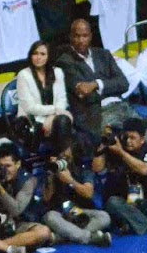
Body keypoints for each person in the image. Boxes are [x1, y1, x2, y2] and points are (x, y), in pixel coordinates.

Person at [57, 18, 133, 153]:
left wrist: (96, 84)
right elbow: (84, 93)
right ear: (70, 37)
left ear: (91, 36)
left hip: (122, 106)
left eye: (85, 36)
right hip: (98, 114)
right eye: (77, 36)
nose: (81, 40)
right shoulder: (65, 62)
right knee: (123, 142)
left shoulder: (103, 54)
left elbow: (124, 83)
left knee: (146, 140)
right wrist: (110, 86)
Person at [40, 139, 111, 248]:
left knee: (104, 217)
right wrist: (51, 176)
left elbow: (88, 193)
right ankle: (90, 237)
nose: (64, 160)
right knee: (50, 217)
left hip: (79, 213)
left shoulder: (84, 171)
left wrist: (70, 181)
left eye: (67, 158)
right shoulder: (53, 170)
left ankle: (62, 237)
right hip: (59, 213)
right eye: (61, 157)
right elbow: (46, 198)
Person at [13, 39, 72, 145]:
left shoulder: (57, 72)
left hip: (55, 118)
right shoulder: (23, 75)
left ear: (49, 56)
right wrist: (54, 110)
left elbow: (62, 99)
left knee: (63, 121)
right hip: (32, 120)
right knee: (63, 122)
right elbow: (29, 107)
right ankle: (64, 153)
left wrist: (52, 117)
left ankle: (64, 154)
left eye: (42, 54)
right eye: (35, 53)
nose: (38, 57)